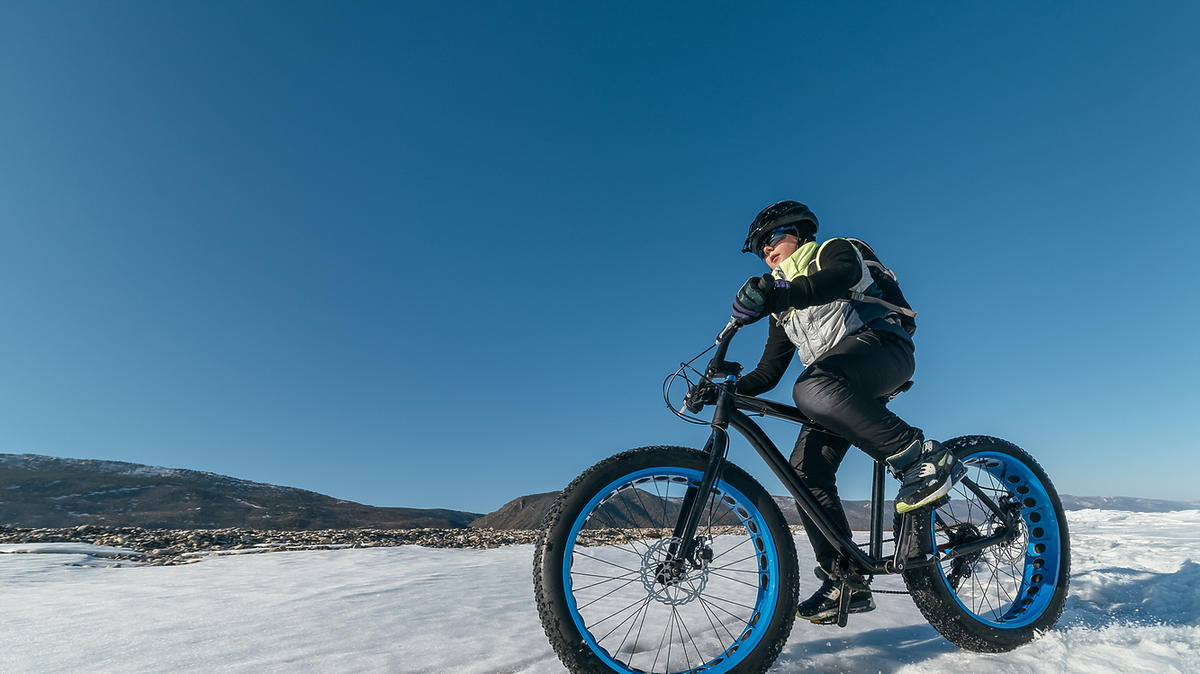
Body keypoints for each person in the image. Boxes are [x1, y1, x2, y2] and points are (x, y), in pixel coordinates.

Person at [699, 200, 966, 623]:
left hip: (882, 347)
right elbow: (768, 373)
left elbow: (837, 281)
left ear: (799, 231)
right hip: (835, 381)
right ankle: (847, 577)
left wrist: (779, 292)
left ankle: (924, 459)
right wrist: (723, 387)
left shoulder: (834, 251)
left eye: (770, 239)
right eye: (758, 250)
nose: (766, 252)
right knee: (805, 472)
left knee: (811, 387)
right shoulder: (782, 305)